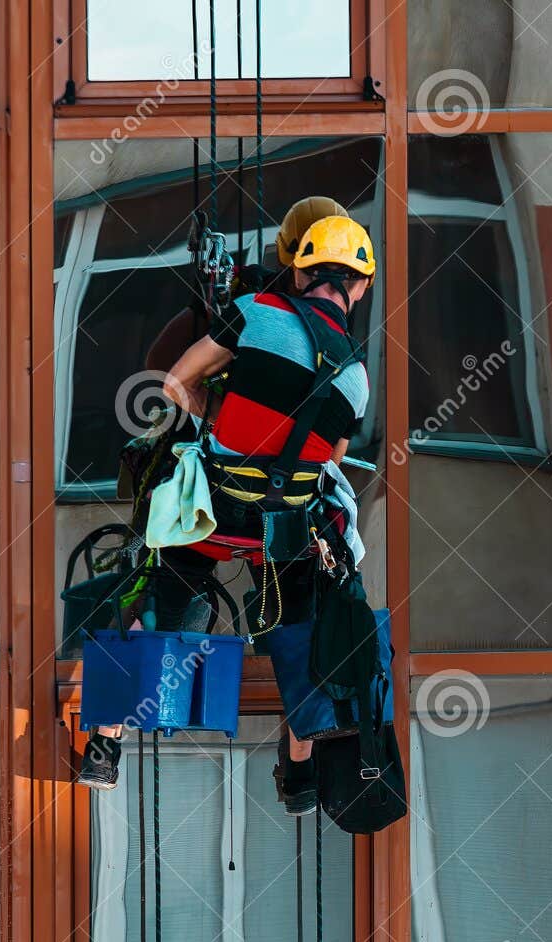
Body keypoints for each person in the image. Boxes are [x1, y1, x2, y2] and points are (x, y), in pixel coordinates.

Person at [75, 215, 376, 814]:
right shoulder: (357, 381)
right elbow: (326, 470)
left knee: (158, 594)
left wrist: (221, 418)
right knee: (307, 631)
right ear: (360, 288)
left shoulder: (253, 312)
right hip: (281, 537)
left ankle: (103, 747)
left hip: (208, 515)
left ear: (298, 271)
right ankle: (300, 775)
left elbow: (176, 381)